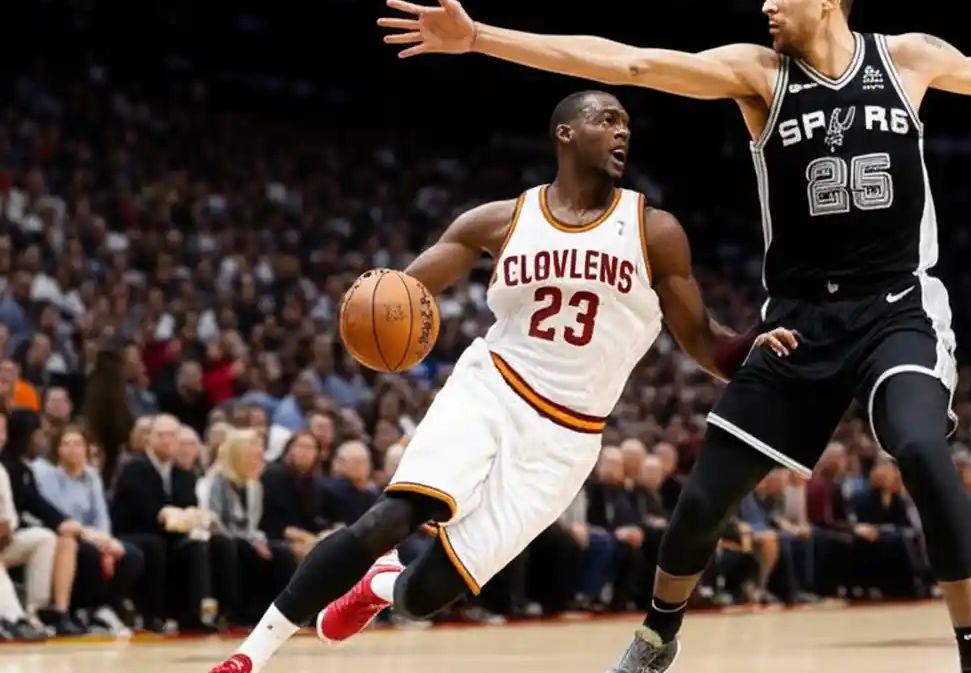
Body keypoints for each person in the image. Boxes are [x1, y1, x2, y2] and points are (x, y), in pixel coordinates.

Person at [375, 0, 971, 671]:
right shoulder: (760, 76)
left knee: (923, 452)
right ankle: (657, 634)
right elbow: (628, 61)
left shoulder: (909, 60)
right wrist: (481, 38)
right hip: (797, 321)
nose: (765, 4)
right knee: (702, 502)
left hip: (898, 308)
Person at [208, 90, 797, 672]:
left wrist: (752, 345)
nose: (623, 132)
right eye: (607, 120)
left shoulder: (654, 231)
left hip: (568, 437)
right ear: (565, 133)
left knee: (424, 597)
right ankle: (247, 657)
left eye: (627, 124)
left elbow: (704, 342)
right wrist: (372, 320)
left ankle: (382, 585)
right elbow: (402, 293)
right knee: (391, 516)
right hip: (491, 388)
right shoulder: (498, 221)